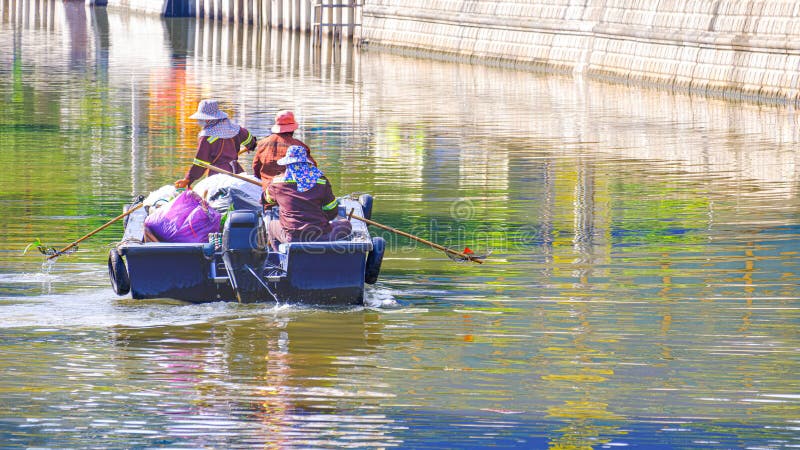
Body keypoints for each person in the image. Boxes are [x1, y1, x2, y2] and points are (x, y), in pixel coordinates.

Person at [264, 145, 351, 247]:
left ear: (287, 164)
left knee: (271, 225)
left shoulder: (277, 183)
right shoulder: (321, 181)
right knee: (346, 224)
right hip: (321, 235)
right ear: (306, 163)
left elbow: (267, 200)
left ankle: (280, 256)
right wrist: (326, 220)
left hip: (292, 237)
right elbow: (331, 210)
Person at [175, 99, 257, 189]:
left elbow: (200, 163)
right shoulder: (234, 129)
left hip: (218, 176)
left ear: (208, 119)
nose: (200, 121)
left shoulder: (206, 137)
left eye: (202, 119)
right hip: (236, 172)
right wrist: (251, 146)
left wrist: (188, 179)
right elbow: (250, 140)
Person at [252, 110, 317, 192]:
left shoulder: (262, 143)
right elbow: (312, 170)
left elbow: (256, 168)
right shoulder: (300, 147)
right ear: (292, 129)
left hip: (269, 190)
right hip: (294, 192)